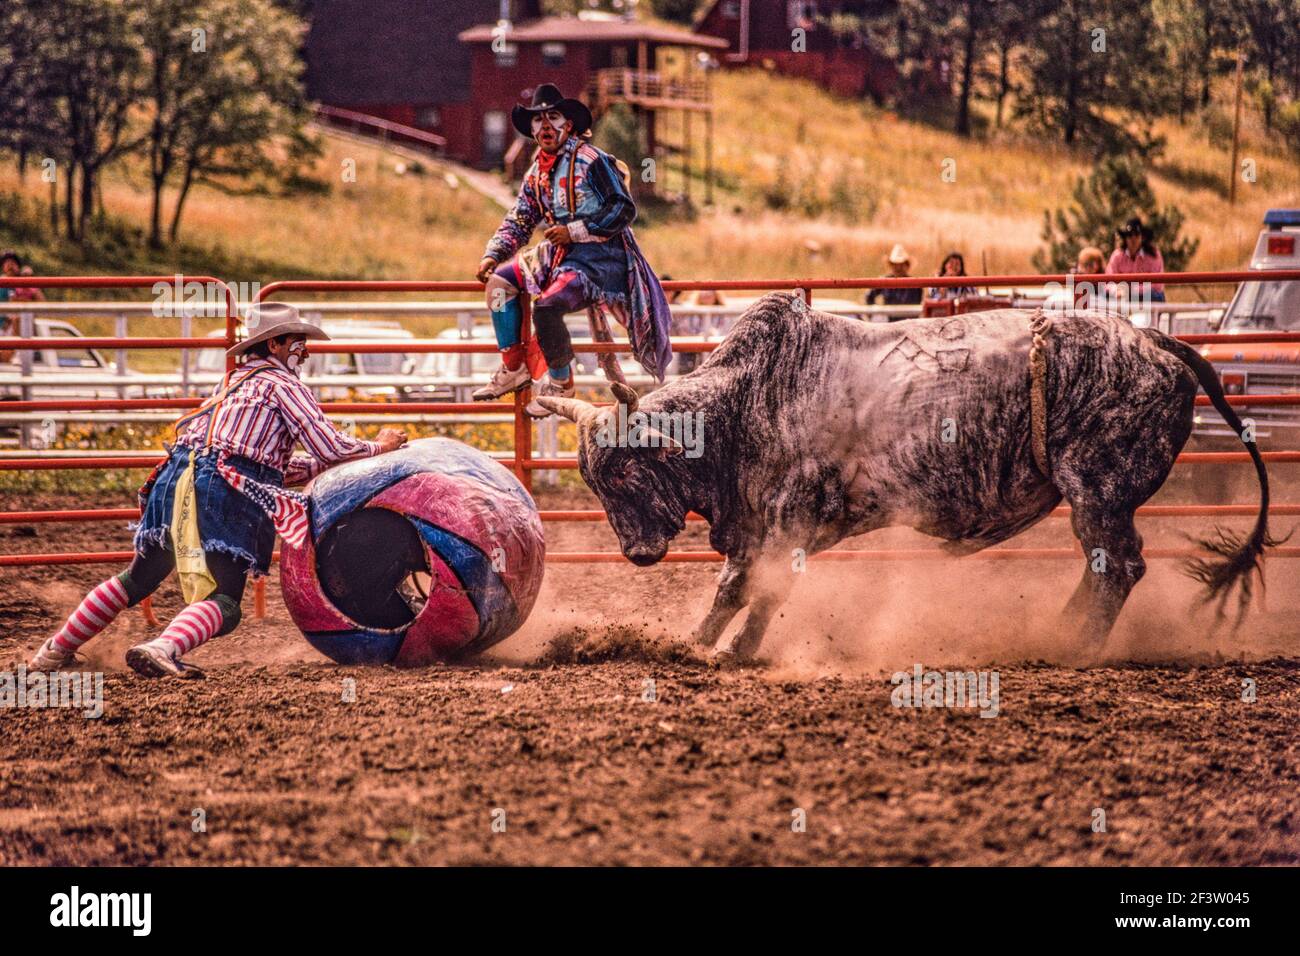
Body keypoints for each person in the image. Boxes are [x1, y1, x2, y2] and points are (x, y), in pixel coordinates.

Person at [27, 303, 407, 679]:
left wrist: (324, 465)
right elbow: (330, 448)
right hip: (221, 489)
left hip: (176, 476)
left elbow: (260, 461)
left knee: (138, 578)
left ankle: (53, 651)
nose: (304, 351)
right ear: (274, 345)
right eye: (297, 342)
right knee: (225, 600)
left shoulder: (231, 383)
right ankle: (162, 647)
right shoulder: (285, 386)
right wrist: (379, 447)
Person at [471, 83, 672, 418]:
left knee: (547, 307)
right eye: (538, 120)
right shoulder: (537, 172)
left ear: (570, 125)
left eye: (553, 117)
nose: (545, 127)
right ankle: (514, 367)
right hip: (560, 252)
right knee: (499, 285)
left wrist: (576, 230)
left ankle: (560, 384)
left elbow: (622, 209)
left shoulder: (593, 160)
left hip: (602, 256)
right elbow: (522, 216)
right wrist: (494, 253)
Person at [1106, 217, 1165, 303]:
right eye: (1129, 235)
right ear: (1125, 238)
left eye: (1136, 234)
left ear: (1142, 237)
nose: (1133, 239)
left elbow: (1157, 286)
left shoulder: (1153, 255)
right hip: (1123, 298)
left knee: (1156, 296)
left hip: (1146, 297)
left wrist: (1132, 291)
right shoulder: (1117, 256)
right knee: (1105, 296)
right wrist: (1116, 290)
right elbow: (1108, 281)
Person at [867, 244, 923, 316]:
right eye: (895, 264)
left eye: (901, 265)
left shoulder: (915, 285)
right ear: (891, 265)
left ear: (906, 266)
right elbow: (869, 296)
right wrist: (876, 313)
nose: (898, 268)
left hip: (907, 320)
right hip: (889, 320)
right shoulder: (884, 281)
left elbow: (916, 307)